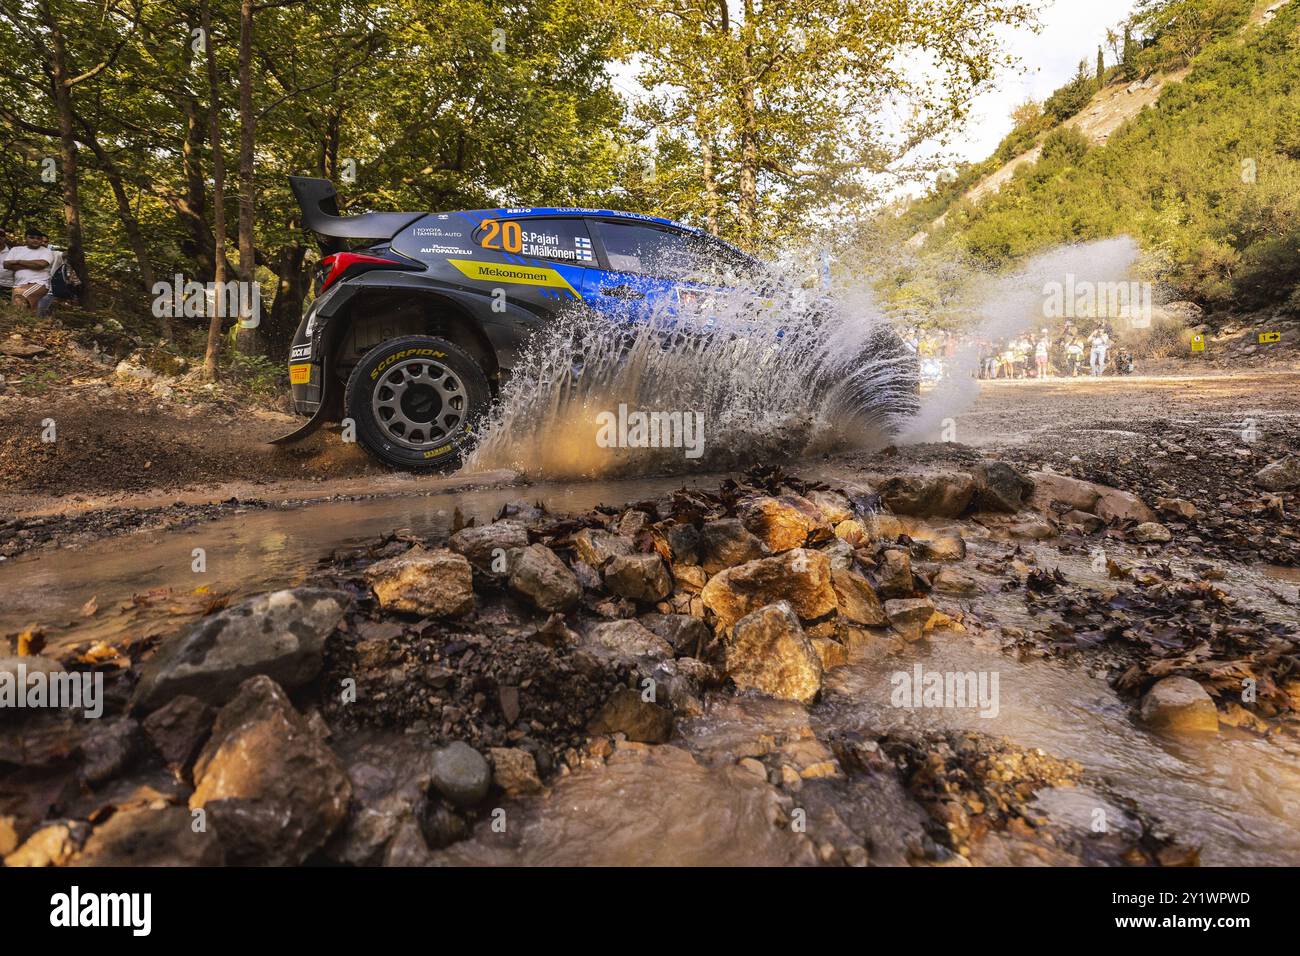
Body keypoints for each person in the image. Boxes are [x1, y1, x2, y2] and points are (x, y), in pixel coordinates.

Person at [4, 228, 55, 312]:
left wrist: (18, 261)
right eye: (32, 237)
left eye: (38, 238)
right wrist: (33, 264)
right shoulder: (16, 250)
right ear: (25, 238)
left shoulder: (46, 251)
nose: (35, 240)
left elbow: (41, 264)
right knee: (27, 311)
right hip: (18, 284)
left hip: (38, 283)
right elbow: (6, 265)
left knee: (20, 300)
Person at [0, 228, 14, 298]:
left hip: (7, 287)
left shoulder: (13, 252)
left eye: (1, 235)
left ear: (5, 238)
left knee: (6, 308)